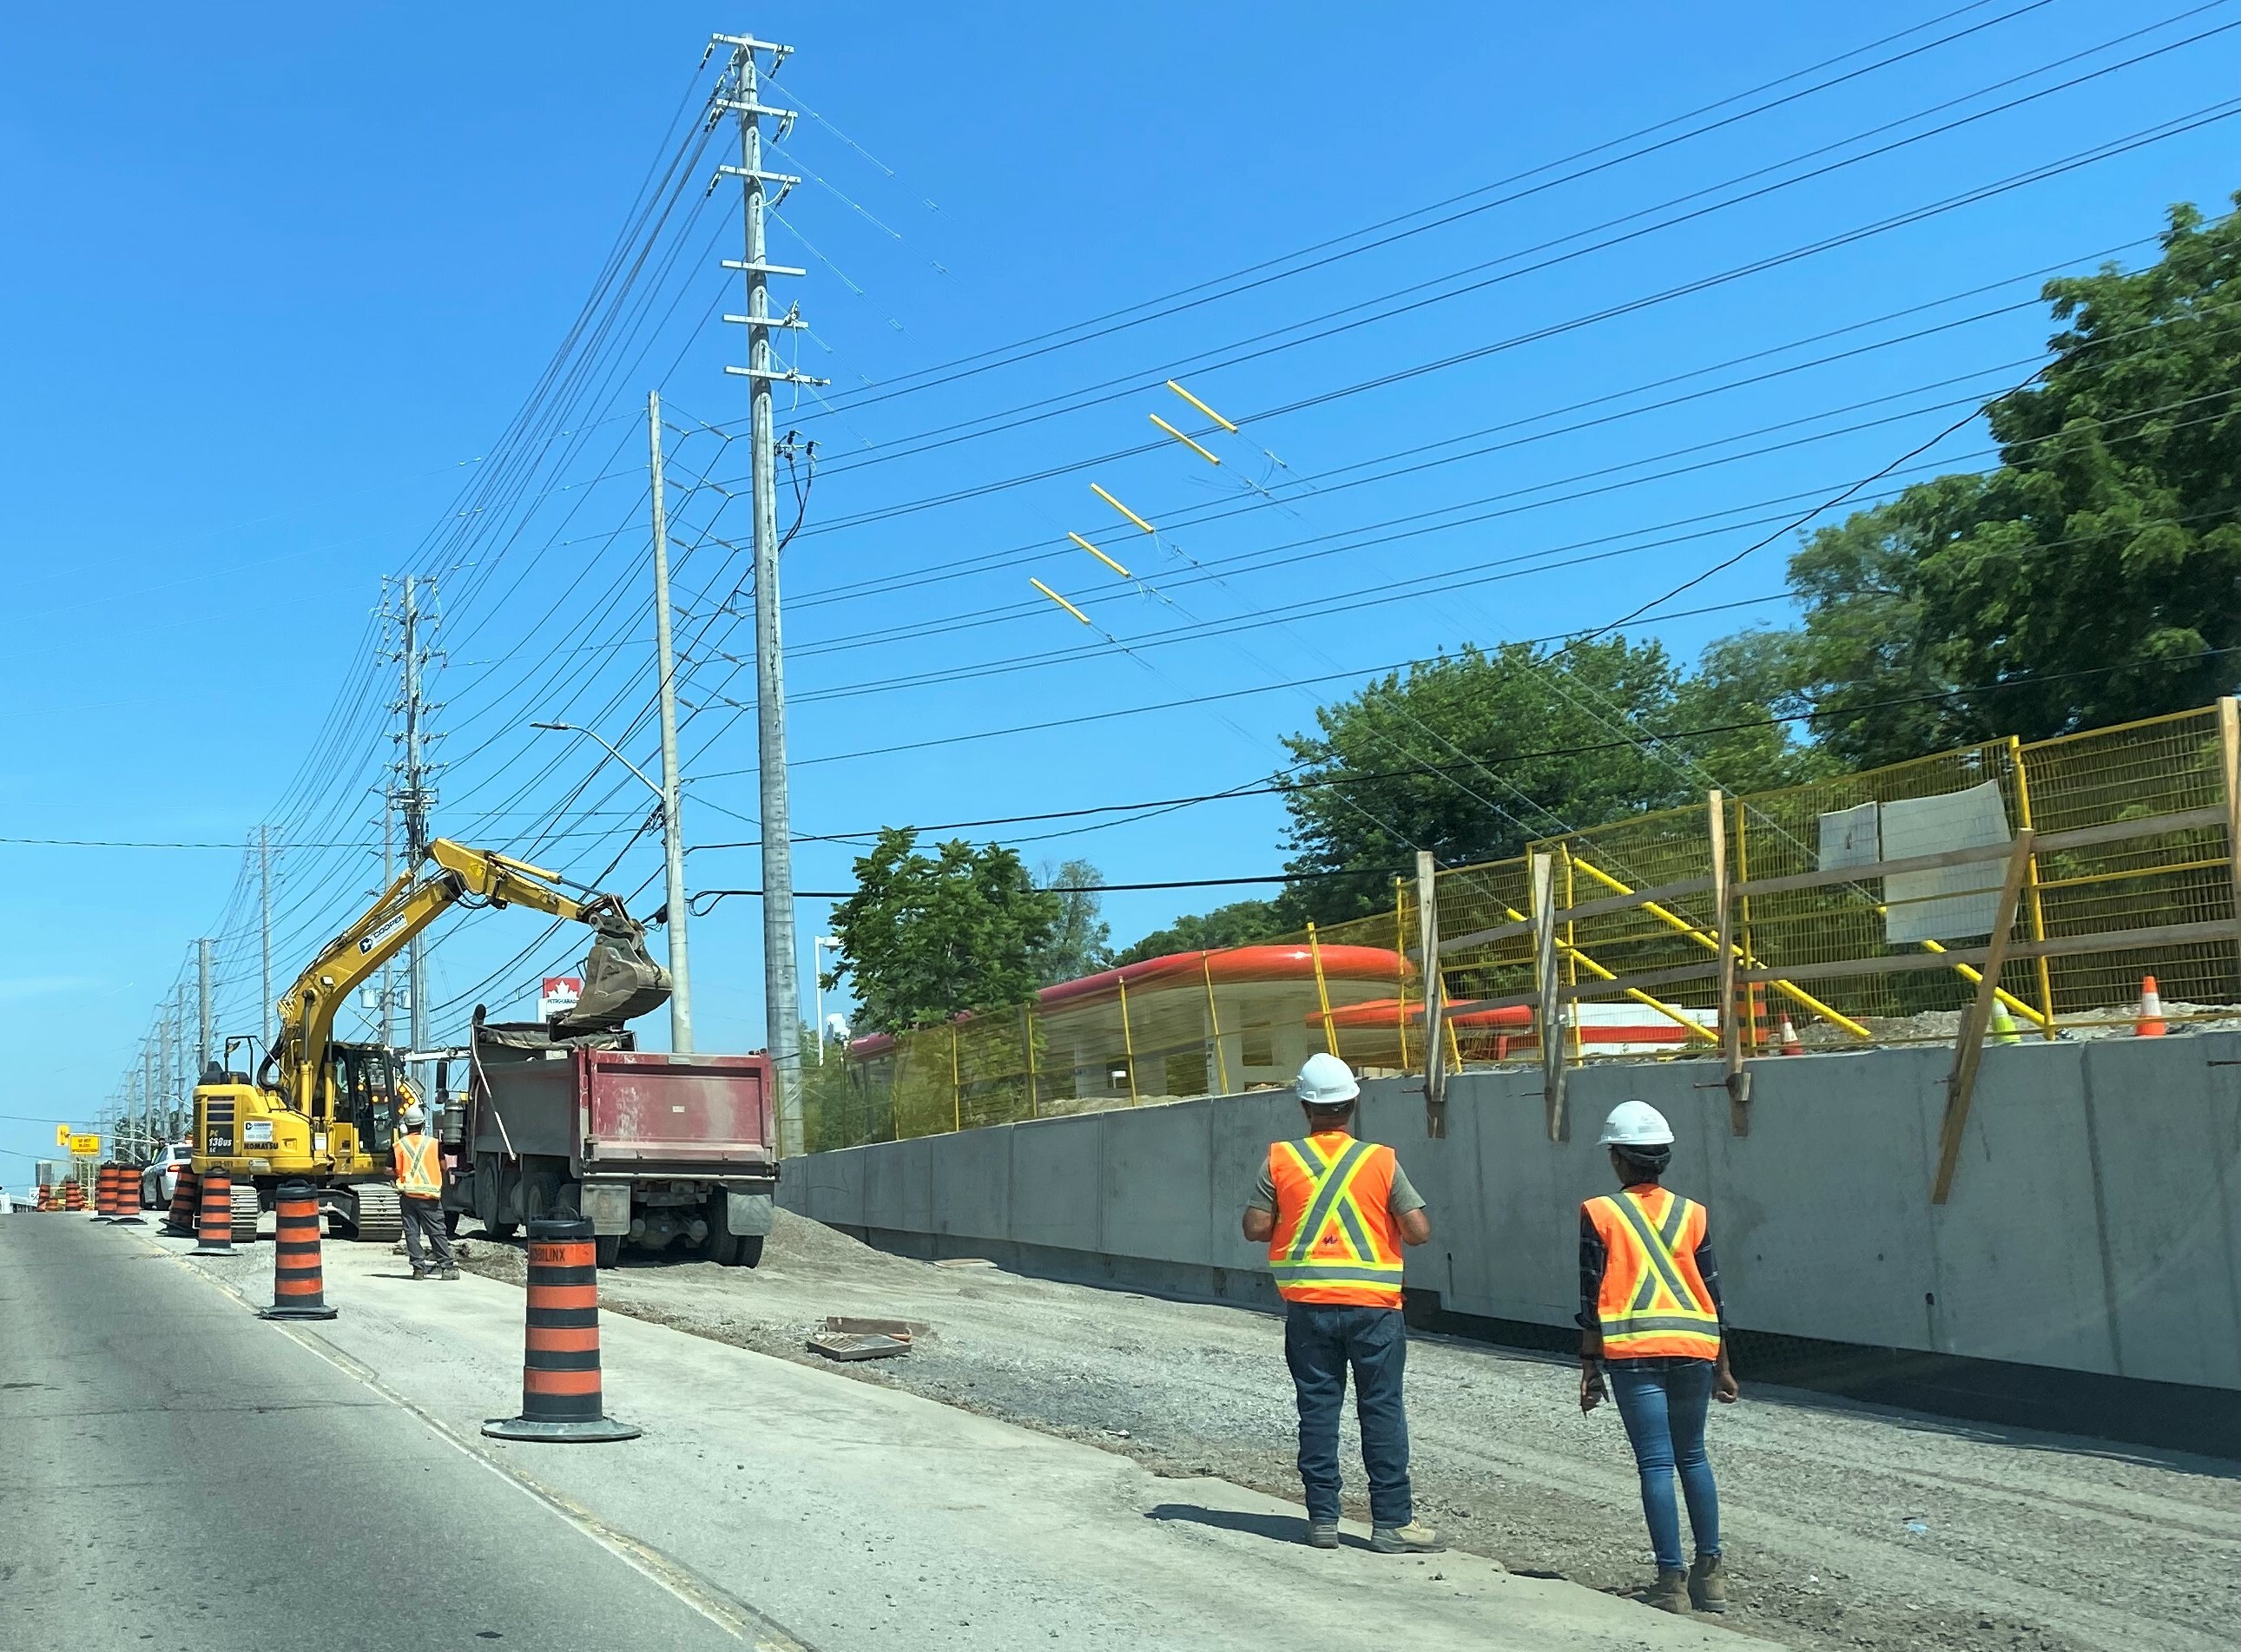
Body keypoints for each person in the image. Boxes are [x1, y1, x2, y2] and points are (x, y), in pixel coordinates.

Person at [1242, 1052, 1440, 1554]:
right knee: (1382, 1409)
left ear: (1304, 1106)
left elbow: (1255, 1228)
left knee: (1318, 1410)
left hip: (1308, 1306)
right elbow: (1418, 1232)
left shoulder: (1280, 1160)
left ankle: (1323, 1519)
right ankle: (1393, 1523)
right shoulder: (1381, 1160)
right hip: (1374, 1308)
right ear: (1353, 1102)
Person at [1578, 1099, 1738, 1614]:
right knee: (1694, 1457)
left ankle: (1671, 1582)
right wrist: (1724, 1364)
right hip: (1695, 1346)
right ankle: (1711, 1577)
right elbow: (1713, 1291)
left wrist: (1588, 1366)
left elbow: (1590, 1296)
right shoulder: (1693, 1213)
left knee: (1656, 1464)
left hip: (1634, 1350)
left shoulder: (1599, 1213)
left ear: (1618, 1159)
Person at [392, 1105, 458, 1280]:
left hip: (408, 1196)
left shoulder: (398, 1145)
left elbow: (387, 1169)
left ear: (406, 1125)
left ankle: (418, 1270)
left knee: (412, 1233)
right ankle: (447, 1268)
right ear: (422, 1124)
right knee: (437, 1232)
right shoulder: (434, 1144)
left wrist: (401, 1174)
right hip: (430, 1197)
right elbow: (444, 1166)